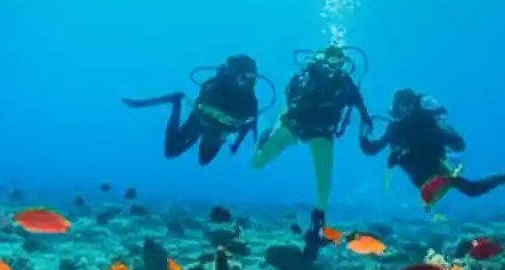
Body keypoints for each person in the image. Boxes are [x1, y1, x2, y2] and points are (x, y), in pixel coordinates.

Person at [360, 88, 505, 206]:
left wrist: (365, 134)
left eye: (408, 105)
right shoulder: (397, 128)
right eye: (402, 106)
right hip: (426, 176)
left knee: (472, 190)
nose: (405, 110)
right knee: (469, 190)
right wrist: (364, 132)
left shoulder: (427, 124)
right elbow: (372, 149)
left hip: (438, 170)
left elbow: (458, 144)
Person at [252, 44, 372, 211]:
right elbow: (294, 95)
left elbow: (357, 100)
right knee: (261, 158)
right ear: (323, 60)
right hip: (296, 124)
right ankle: (264, 144)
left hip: (322, 130)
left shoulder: (344, 81)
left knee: (324, 177)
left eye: (340, 63)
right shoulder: (311, 73)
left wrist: (366, 118)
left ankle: (320, 214)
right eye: (332, 62)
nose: (336, 67)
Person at [122, 54, 265, 165]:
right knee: (171, 152)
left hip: (209, 124)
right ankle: (176, 101)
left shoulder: (250, 102)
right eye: (242, 78)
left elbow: (248, 123)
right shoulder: (215, 90)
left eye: (250, 79)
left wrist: (239, 141)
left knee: (201, 160)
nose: (245, 82)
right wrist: (238, 139)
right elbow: (246, 123)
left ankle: (177, 101)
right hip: (200, 121)